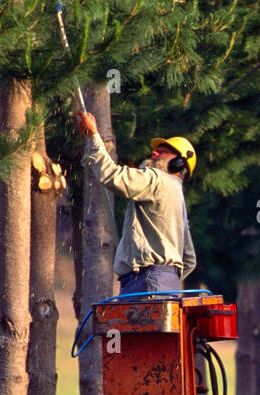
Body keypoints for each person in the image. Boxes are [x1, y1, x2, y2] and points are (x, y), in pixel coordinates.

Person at [74, 111, 197, 293]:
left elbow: (111, 175)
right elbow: (189, 259)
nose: (154, 152)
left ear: (178, 163)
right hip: (159, 281)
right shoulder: (178, 197)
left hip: (146, 279)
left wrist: (92, 136)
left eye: (163, 152)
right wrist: (167, 279)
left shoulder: (158, 180)